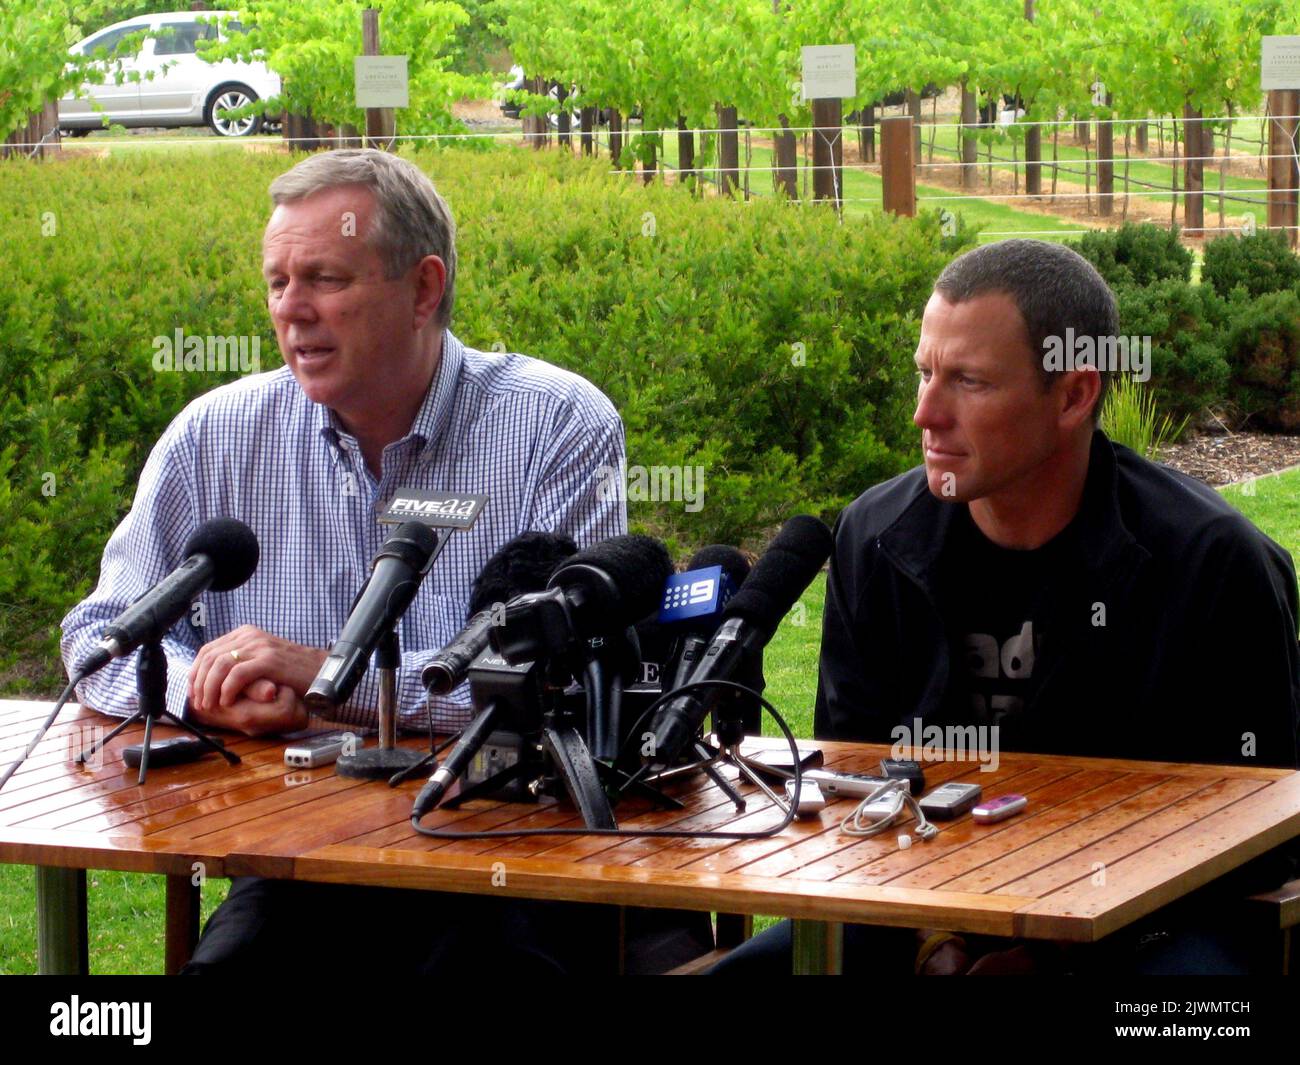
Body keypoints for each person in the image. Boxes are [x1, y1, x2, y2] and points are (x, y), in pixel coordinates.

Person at [61, 148, 707, 974]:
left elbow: (557, 688)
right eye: (276, 283)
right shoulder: (213, 438)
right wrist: (207, 686)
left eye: (325, 279)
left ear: (424, 289)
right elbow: (95, 637)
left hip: (506, 844)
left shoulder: (555, 425)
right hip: (301, 856)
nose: (292, 311)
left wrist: (323, 674)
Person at [713, 238, 1300, 976]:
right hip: (918, 905)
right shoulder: (876, 536)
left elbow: (1263, 831)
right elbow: (852, 788)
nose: (925, 413)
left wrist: (1054, 957)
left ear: (1074, 394)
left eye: (969, 381)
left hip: (1152, 926)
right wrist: (942, 943)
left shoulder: (1212, 561)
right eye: (925, 373)